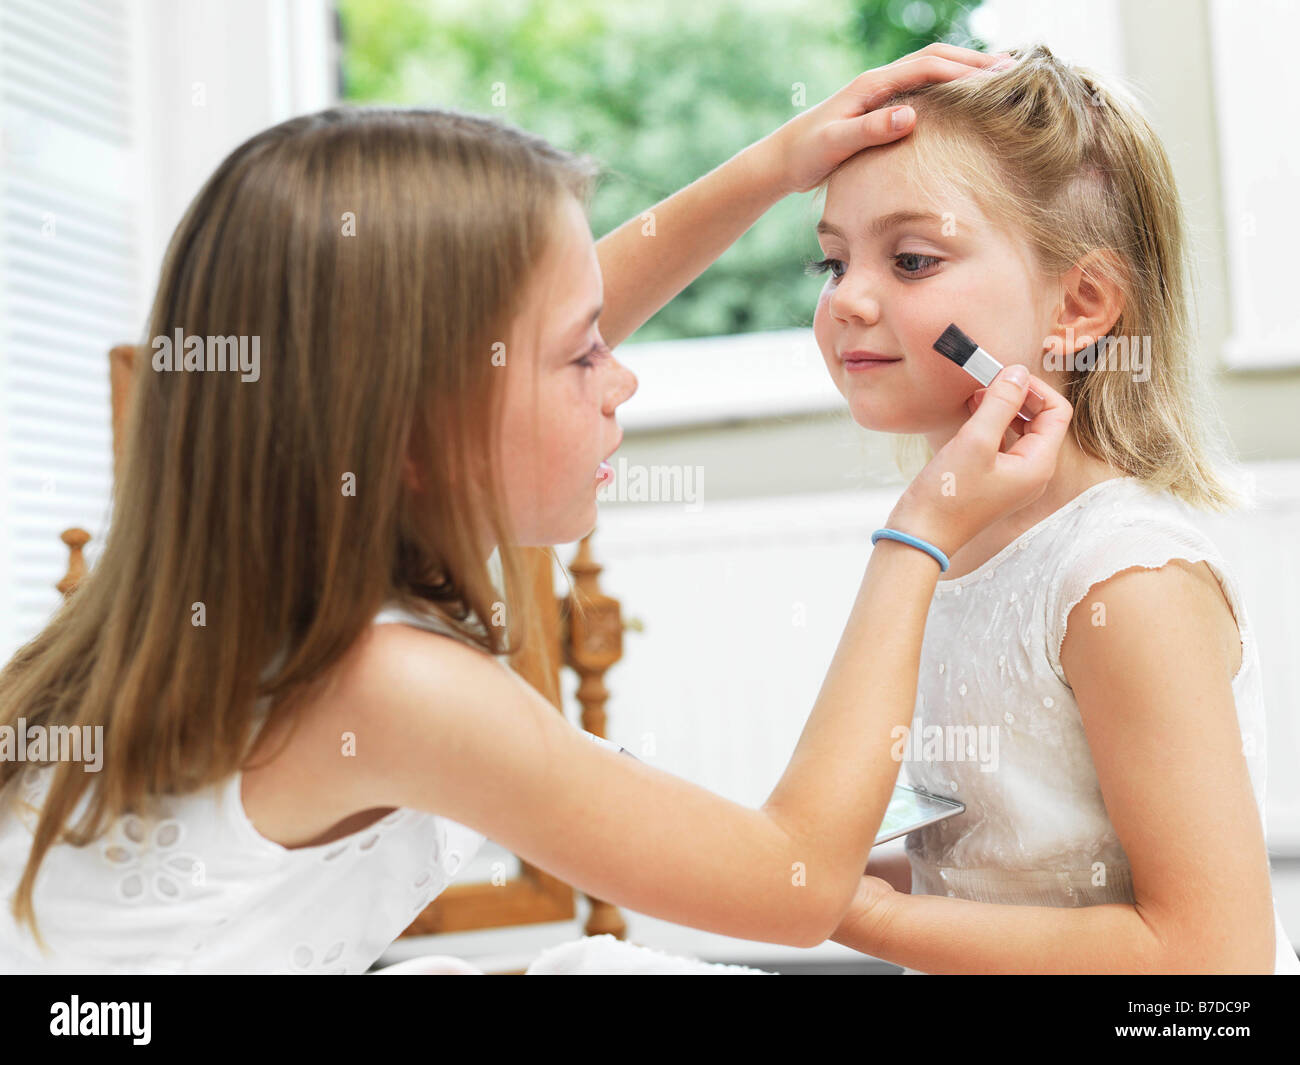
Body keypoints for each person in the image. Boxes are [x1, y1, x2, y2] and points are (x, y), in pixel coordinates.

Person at [0, 47, 1071, 974]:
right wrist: (917, 533)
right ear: (413, 430)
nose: (623, 381)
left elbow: (504, 344)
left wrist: (773, 167)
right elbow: (790, 884)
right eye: (585, 355)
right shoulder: (385, 682)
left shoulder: (234, 594)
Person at [816, 43, 1300, 974]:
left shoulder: (1125, 578)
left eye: (911, 259)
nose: (849, 299)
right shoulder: (949, 535)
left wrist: (864, 918)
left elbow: (1211, 958)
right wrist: (798, 864)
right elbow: (1004, 863)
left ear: (1079, 304)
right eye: (831, 261)